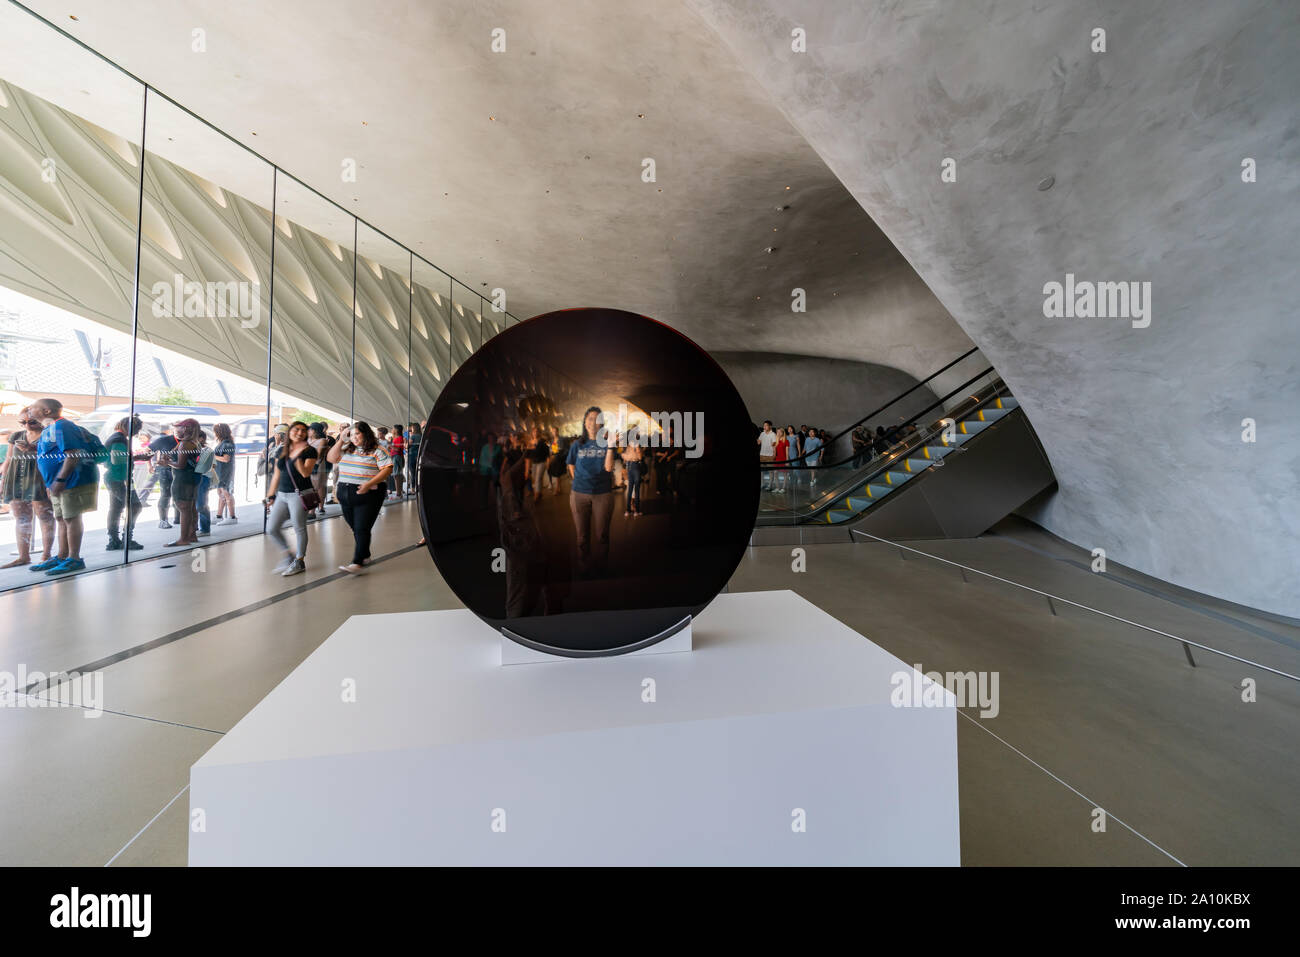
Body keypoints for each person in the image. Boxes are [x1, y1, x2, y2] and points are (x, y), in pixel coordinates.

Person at [31, 397, 99, 575]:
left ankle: (74, 558)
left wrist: (60, 480)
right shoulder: (49, 428)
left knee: (71, 518)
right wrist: (50, 482)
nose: (30, 411)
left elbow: (72, 454)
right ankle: (62, 556)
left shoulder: (62, 426)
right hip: (57, 483)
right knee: (61, 518)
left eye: (33, 408)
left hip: (72, 481)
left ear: (47, 411)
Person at [328, 421, 392, 574]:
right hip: (345, 494)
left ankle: (357, 563)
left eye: (357, 434)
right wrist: (341, 440)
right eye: (352, 434)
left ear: (365, 433)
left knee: (361, 528)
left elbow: (387, 469)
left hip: (369, 494)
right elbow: (331, 458)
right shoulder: (346, 448)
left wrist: (369, 484)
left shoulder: (378, 450)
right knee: (356, 528)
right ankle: (365, 555)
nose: (354, 438)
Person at [566, 407, 615, 578]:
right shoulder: (577, 444)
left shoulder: (606, 443)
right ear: (584, 422)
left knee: (602, 534)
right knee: (582, 536)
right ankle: (584, 564)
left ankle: (602, 566)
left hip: (603, 494)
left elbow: (608, 468)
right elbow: (570, 463)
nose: (592, 422)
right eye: (589, 418)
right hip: (579, 494)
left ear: (602, 423)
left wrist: (610, 446)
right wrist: (577, 479)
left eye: (596, 419)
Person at [1, 411, 55, 568]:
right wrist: (3, 481)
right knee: (21, 517)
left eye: (31, 422)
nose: (26, 425)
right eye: (22, 422)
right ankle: (23, 556)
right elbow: (9, 459)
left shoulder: (48, 435)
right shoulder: (16, 435)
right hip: (17, 478)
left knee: (45, 516)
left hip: (39, 478)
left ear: (40, 420)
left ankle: (47, 555)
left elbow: (56, 457)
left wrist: (33, 449)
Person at [264, 421, 317, 576]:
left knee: (299, 527)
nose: (299, 433)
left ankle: (299, 561)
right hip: (282, 494)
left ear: (306, 434)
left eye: (303, 430)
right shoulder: (282, 449)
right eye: (296, 430)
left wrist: (297, 457)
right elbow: (276, 474)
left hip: (299, 493)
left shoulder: (310, 451)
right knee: (272, 528)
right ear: (290, 432)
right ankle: (289, 556)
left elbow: (306, 473)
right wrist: (270, 495)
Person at [104, 415, 146, 551]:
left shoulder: (116, 438)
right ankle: (126, 538)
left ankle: (113, 540)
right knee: (135, 506)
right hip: (119, 478)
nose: (136, 432)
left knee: (116, 508)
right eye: (136, 429)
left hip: (115, 477)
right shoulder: (119, 439)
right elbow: (117, 460)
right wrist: (137, 457)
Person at [165, 418, 201, 547]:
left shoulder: (184, 444)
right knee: (190, 508)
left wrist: (166, 462)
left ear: (185, 429)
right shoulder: (193, 442)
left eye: (178, 427)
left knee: (184, 508)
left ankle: (184, 539)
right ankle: (192, 535)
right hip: (192, 478)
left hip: (182, 479)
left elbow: (180, 465)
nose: (175, 430)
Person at [143, 424, 181, 528]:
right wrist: (149, 465)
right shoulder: (164, 440)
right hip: (165, 471)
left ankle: (178, 519)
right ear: (173, 430)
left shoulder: (187, 441)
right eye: (178, 429)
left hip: (181, 471)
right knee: (166, 494)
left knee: (179, 495)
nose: (180, 432)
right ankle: (163, 520)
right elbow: (147, 451)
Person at [212, 422, 238, 525]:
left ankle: (232, 517)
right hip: (220, 471)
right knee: (221, 493)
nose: (214, 433)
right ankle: (219, 516)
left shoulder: (227, 443)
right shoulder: (223, 442)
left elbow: (226, 459)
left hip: (225, 472)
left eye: (215, 431)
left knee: (227, 493)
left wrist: (212, 456)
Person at [622, 432, 644, 516]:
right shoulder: (628, 446)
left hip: (633, 466)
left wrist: (635, 453)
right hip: (632, 467)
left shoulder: (636, 445)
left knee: (633, 490)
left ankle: (632, 510)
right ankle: (633, 510)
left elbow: (640, 457)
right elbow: (624, 456)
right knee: (633, 489)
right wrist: (634, 455)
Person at [528, 427, 549, 504]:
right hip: (533, 463)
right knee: (534, 478)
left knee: (538, 478)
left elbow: (547, 453)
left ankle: (536, 496)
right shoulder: (530, 442)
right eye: (534, 431)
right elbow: (528, 454)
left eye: (537, 431)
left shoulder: (542, 442)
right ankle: (539, 492)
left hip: (541, 462)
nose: (535, 433)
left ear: (539, 433)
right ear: (532, 433)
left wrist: (548, 462)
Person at [757, 420, 776, 490]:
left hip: (770, 455)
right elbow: (758, 442)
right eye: (764, 425)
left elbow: (774, 444)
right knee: (761, 471)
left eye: (766, 425)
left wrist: (774, 454)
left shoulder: (773, 434)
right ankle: (762, 483)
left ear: (770, 426)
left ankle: (770, 485)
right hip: (762, 455)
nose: (764, 427)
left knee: (771, 471)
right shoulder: (762, 434)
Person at [388, 423, 405, 498]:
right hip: (395, 457)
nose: (391, 430)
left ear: (396, 430)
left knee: (397, 475)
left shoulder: (399, 438)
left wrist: (390, 445)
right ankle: (399, 492)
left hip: (397, 457)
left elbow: (398, 449)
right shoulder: (396, 438)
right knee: (397, 475)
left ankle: (398, 494)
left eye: (393, 429)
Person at [405, 422, 421, 495]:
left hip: (412, 456)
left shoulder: (413, 436)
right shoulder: (422, 436)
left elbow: (407, 446)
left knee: (412, 473)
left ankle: (413, 489)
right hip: (419, 456)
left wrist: (406, 444)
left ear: (414, 428)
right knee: (418, 473)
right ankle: (419, 488)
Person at [773, 427, 789, 492]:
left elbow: (787, 452)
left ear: (783, 433)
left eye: (780, 432)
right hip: (777, 460)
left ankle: (783, 488)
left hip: (783, 459)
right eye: (777, 432)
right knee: (775, 473)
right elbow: (774, 452)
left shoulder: (786, 441)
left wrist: (787, 461)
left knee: (784, 474)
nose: (778, 433)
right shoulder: (776, 441)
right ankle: (777, 488)